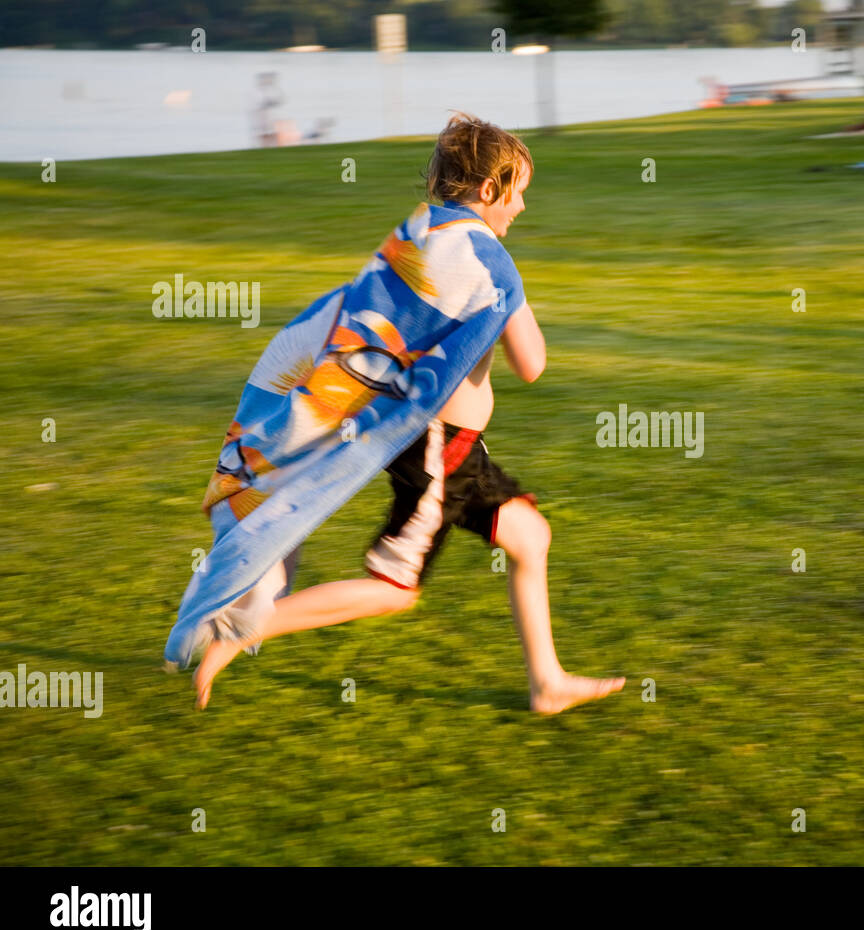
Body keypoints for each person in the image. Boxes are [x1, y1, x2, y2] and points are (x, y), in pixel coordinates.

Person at [185, 113, 625, 715]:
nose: (521, 207)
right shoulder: (490, 264)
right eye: (518, 191)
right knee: (395, 589)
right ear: (488, 189)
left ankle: (546, 683)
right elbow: (533, 364)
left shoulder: (417, 233)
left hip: (451, 444)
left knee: (530, 536)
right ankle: (242, 628)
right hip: (435, 446)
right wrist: (512, 298)